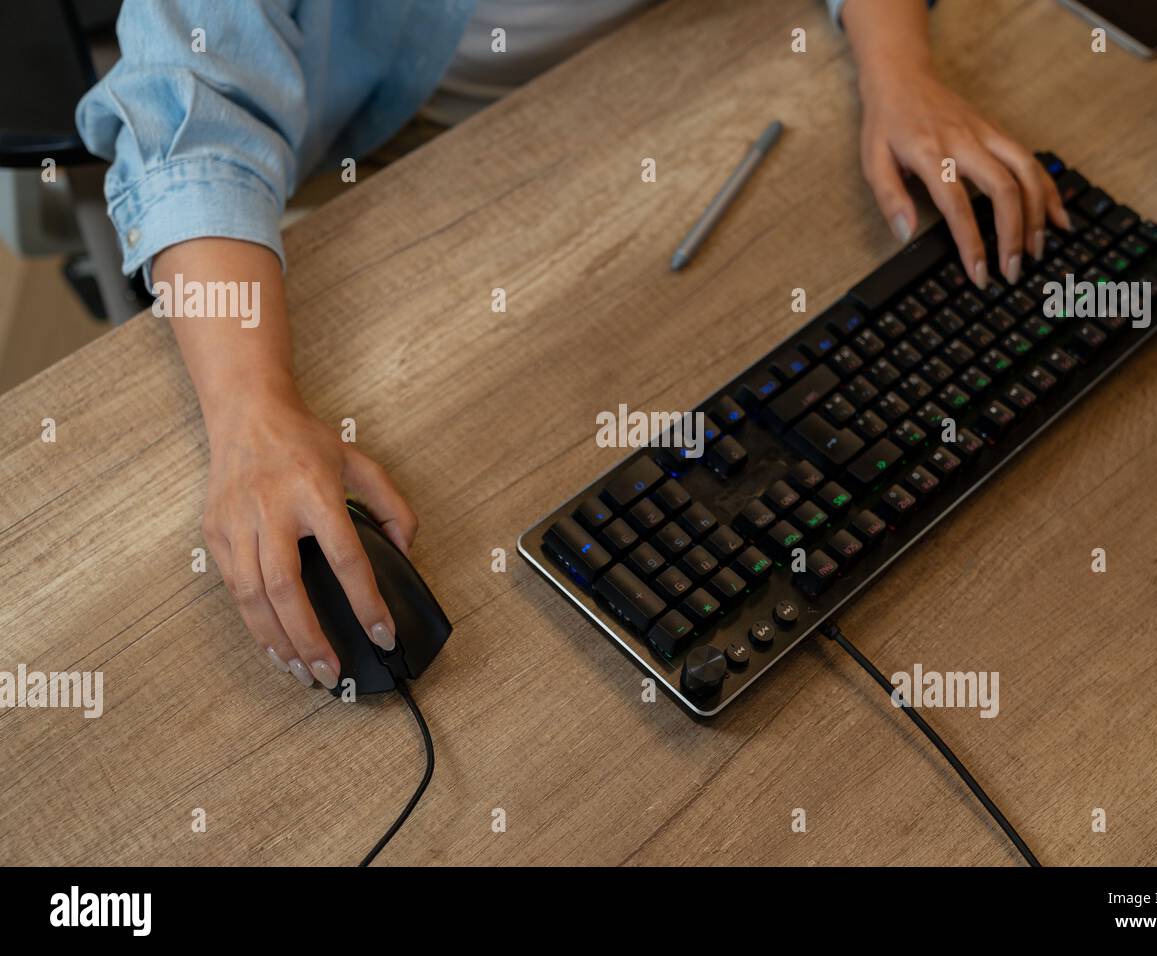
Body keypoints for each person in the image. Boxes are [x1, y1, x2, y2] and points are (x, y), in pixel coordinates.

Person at [76, 0, 1067, 690]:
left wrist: (901, 71)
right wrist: (250, 407)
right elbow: (190, 109)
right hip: (382, 152)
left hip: (668, 81)